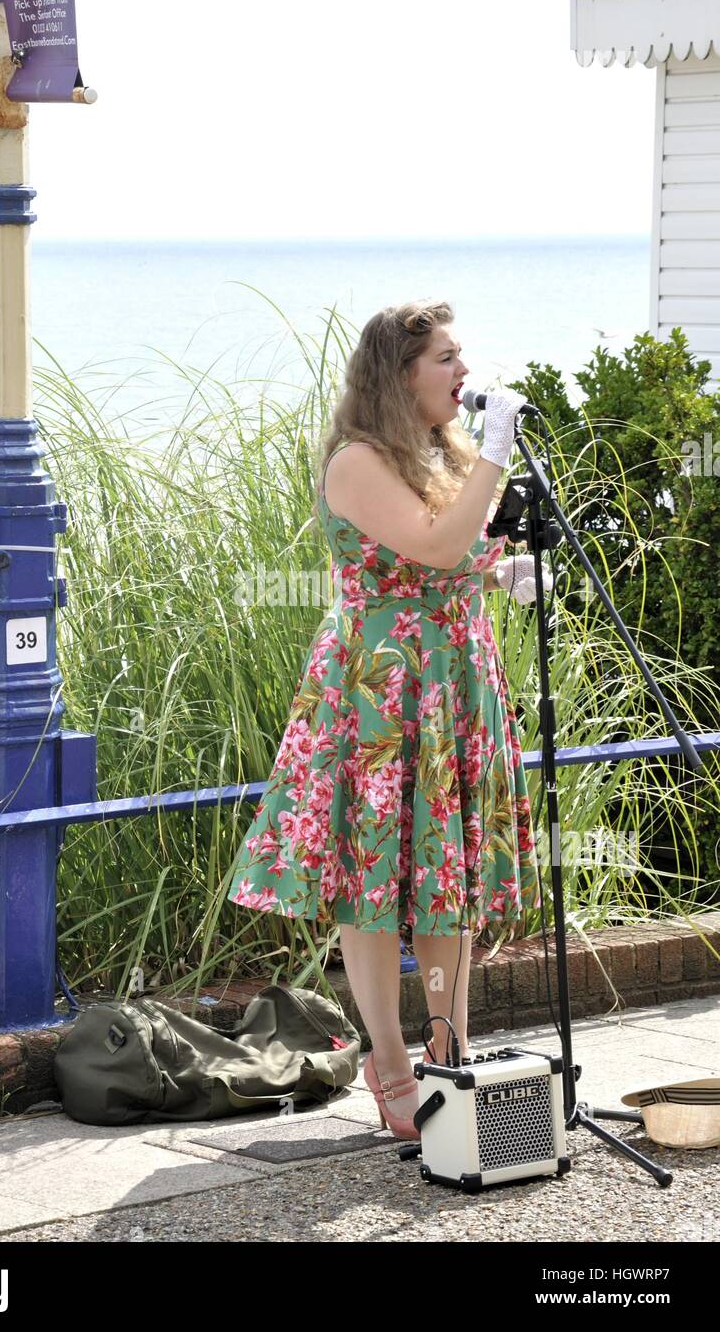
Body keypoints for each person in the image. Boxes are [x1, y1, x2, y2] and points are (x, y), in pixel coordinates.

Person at [226, 299, 547, 1137]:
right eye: (445, 358)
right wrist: (497, 457)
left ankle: (450, 1057)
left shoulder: (443, 453)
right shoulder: (356, 461)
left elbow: (451, 558)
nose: (463, 373)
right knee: (372, 885)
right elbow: (434, 546)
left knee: (446, 881)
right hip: (378, 693)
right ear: (397, 373)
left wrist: (503, 573)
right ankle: (391, 1067)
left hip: (453, 685)